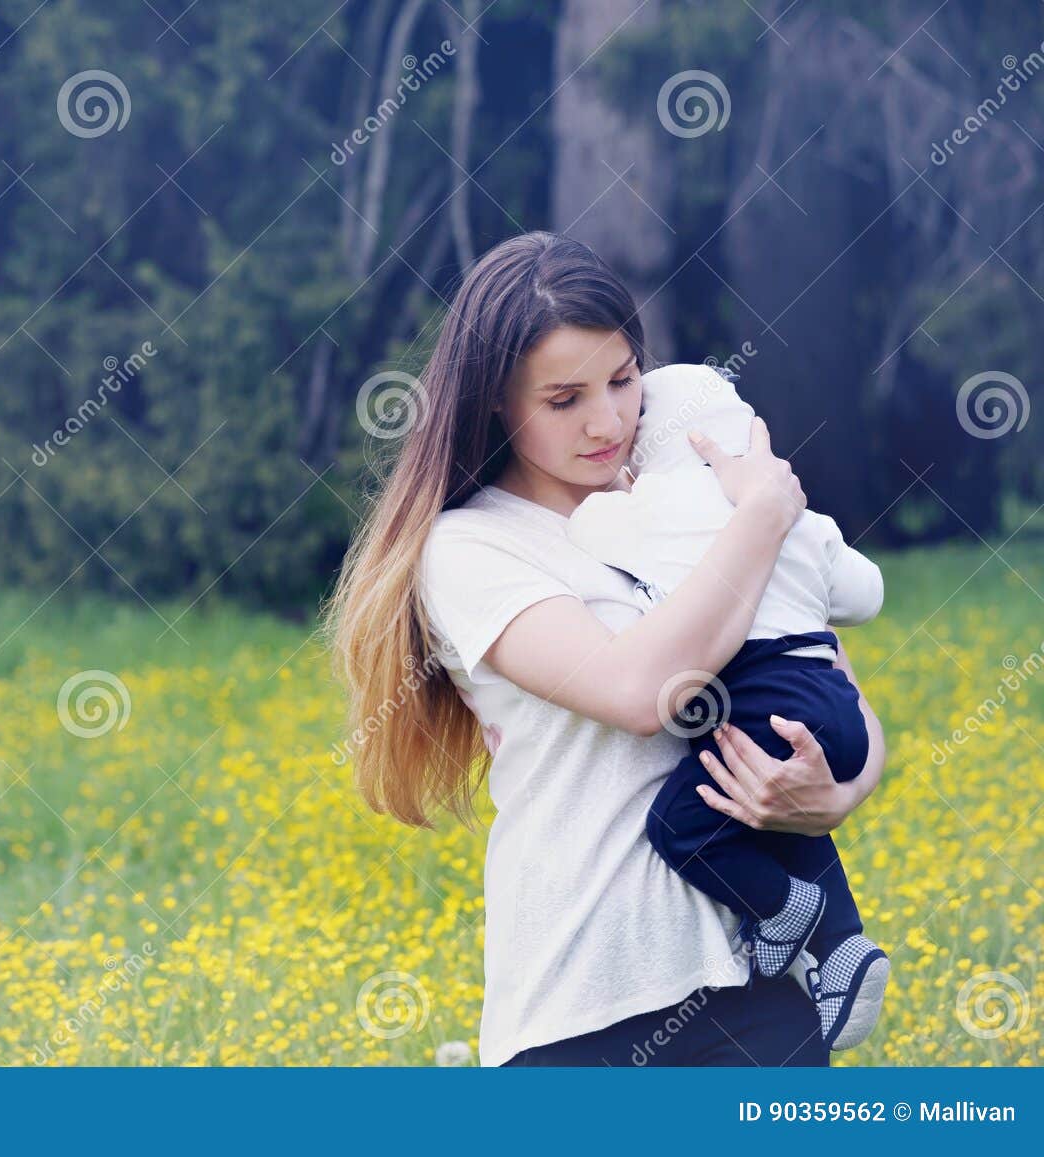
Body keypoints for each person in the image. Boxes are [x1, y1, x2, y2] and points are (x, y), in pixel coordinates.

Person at [321, 231, 886, 1067]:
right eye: (564, 399)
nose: (609, 420)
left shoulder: (689, 506)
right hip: (583, 1004)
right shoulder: (474, 547)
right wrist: (763, 515)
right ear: (493, 404)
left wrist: (838, 790)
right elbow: (635, 689)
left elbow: (829, 678)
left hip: (756, 982)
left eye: (623, 380)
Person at [565, 362, 890, 1051]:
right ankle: (845, 945)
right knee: (773, 806)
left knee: (684, 821)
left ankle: (783, 908)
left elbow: (587, 532)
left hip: (756, 692)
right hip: (834, 702)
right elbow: (867, 596)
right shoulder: (796, 517)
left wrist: (625, 494)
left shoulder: (653, 510)